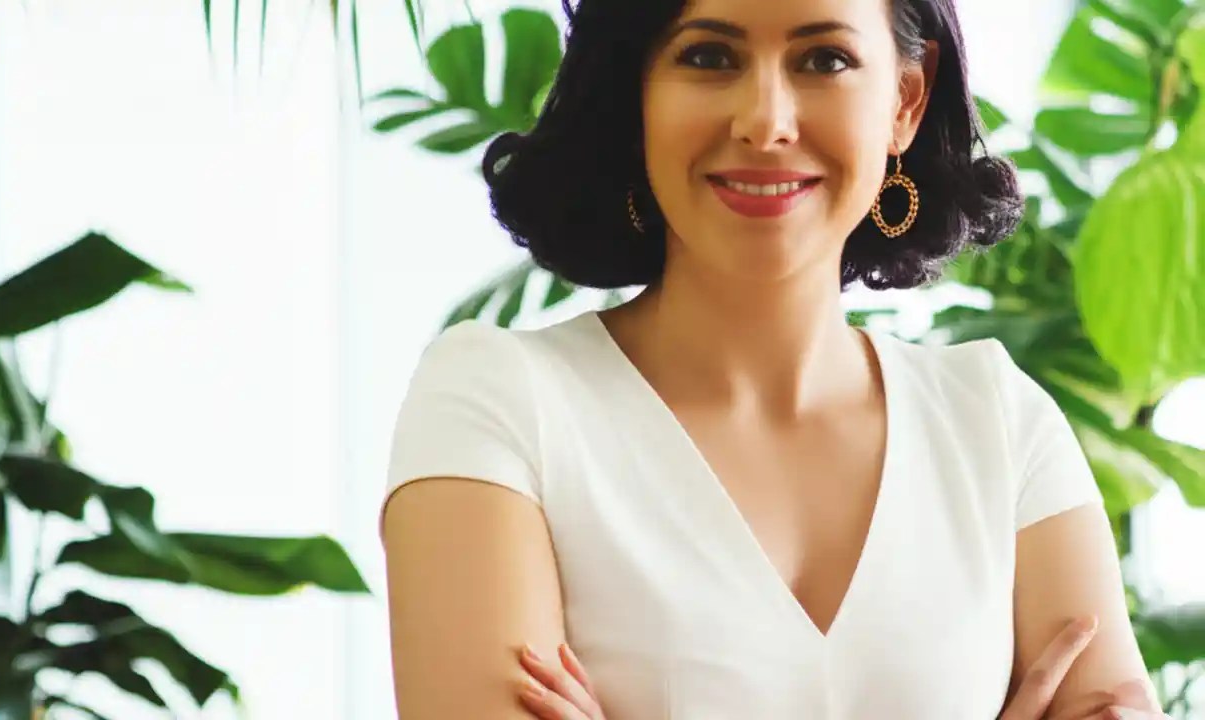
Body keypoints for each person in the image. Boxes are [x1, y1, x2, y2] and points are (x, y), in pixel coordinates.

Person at [378, 0, 1168, 717]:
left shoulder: (996, 420)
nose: (764, 122)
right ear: (636, 99)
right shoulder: (499, 403)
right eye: (709, 58)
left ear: (904, 100)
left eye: (823, 60)